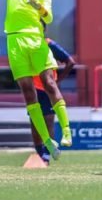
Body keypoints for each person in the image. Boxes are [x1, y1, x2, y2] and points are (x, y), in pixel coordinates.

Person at [1, 0, 72, 161]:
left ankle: (66, 130)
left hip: (34, 38)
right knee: (27, 92)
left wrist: (37, 5)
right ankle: (47, 143)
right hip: (13, 40)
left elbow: (50, 18)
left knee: (50, 83)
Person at [31, 31, 75, 164]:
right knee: (34, 124)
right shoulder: (27, 45)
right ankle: (39, 155)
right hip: (34, 89)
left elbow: (70, 62)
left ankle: (46, 156)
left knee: (48, 121)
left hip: (48, 89)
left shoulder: (49, 44)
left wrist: (57, 80)